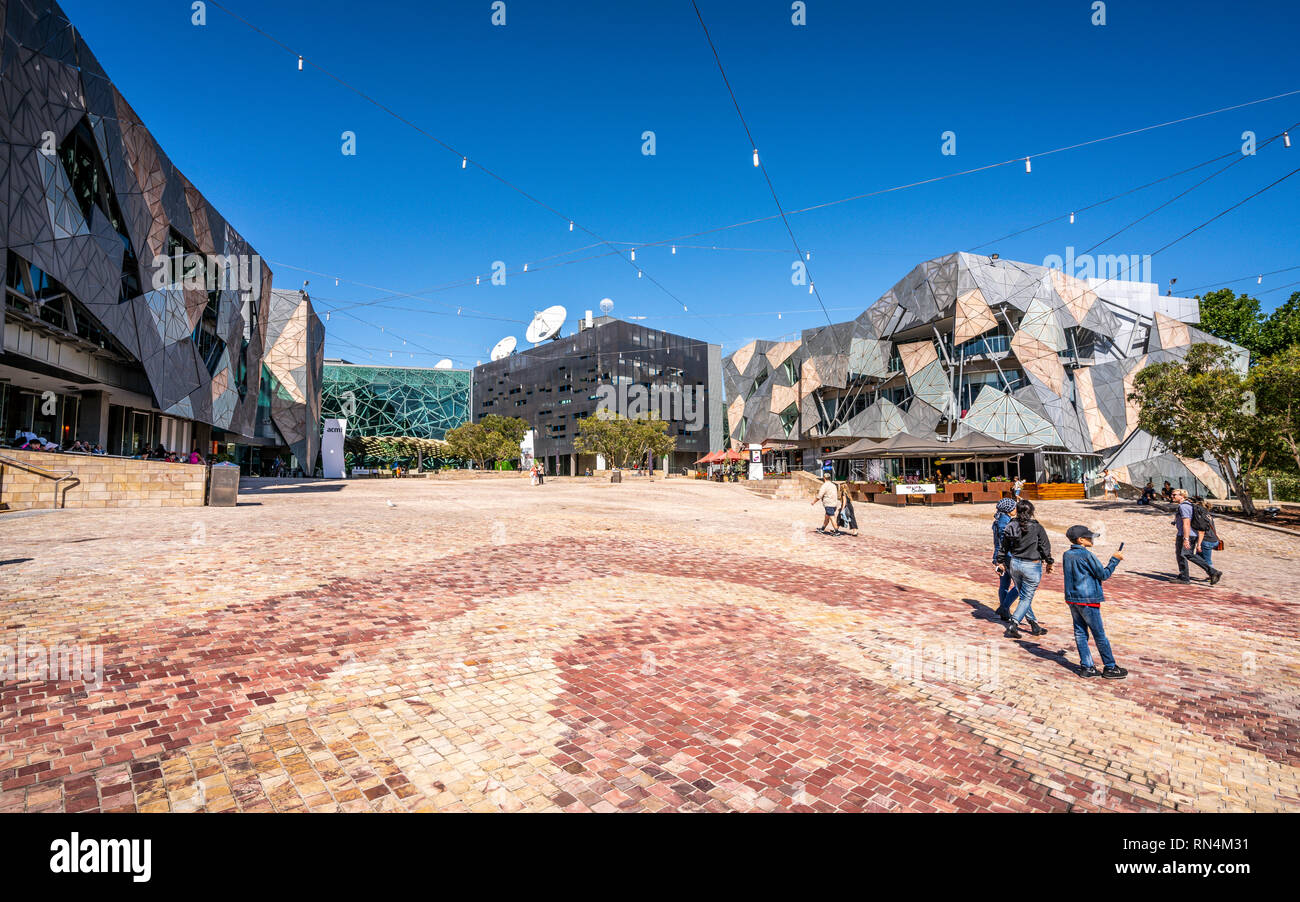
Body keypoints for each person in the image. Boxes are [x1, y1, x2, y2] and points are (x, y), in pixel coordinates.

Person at [1062, 525, 1128, 679]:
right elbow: (1103, 574)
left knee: (1080, 633)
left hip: (1072, 599)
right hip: (1088, 599)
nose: (1092, 539)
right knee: (1099, 634)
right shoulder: (1087, 555)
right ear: (1081, 540)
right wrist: (1115, 560)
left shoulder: (1067, 554)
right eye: (1089, 537)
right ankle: (1110, 666)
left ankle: (1087, 666)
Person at [995, 499, 1052, 638]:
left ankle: (1034, 625)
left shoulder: (1011, 525)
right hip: (1031, 565)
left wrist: (1000, 561)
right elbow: (1045, 546)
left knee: (1023, 595)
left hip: (1015, 564)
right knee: (1026, 597)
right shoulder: (1036, 526)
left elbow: (1003, 546)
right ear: (1031, 512)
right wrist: (1049, 561)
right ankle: (1014, 624)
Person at [1171, 488, 1221, 585]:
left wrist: (1186, 539)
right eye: (1172, 495)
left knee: (1187, 554)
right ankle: (1183, 575)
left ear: (1182, 496)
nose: (1172, 496)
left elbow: (1186, 523)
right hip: (1187, 534)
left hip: (1187, 535)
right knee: (1182, 555)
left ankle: (1212, 572)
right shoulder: (1187, 505)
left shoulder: (1184, 507)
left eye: (1174, 495)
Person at [992, 498, 1019, 622]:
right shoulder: (1005, 522)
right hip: (1007, 557)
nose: (1016, 509)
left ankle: (1005, 613)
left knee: (1004, 585)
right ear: (1008, 509)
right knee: (1021, 585)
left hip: (999, 555)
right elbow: (1005, 542)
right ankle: (1004, 607)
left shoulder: (998, 520)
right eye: (1014, 507)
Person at [1189, 496, 1222, 575]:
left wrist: (1199, 544)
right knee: (1197, 557)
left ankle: (1214, 573)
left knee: (1207, 560)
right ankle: (1211, 572)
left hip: (1207, 541)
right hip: (1214, 539)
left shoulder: (1200, 515)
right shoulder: (1206, 513)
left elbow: (1201, 531)